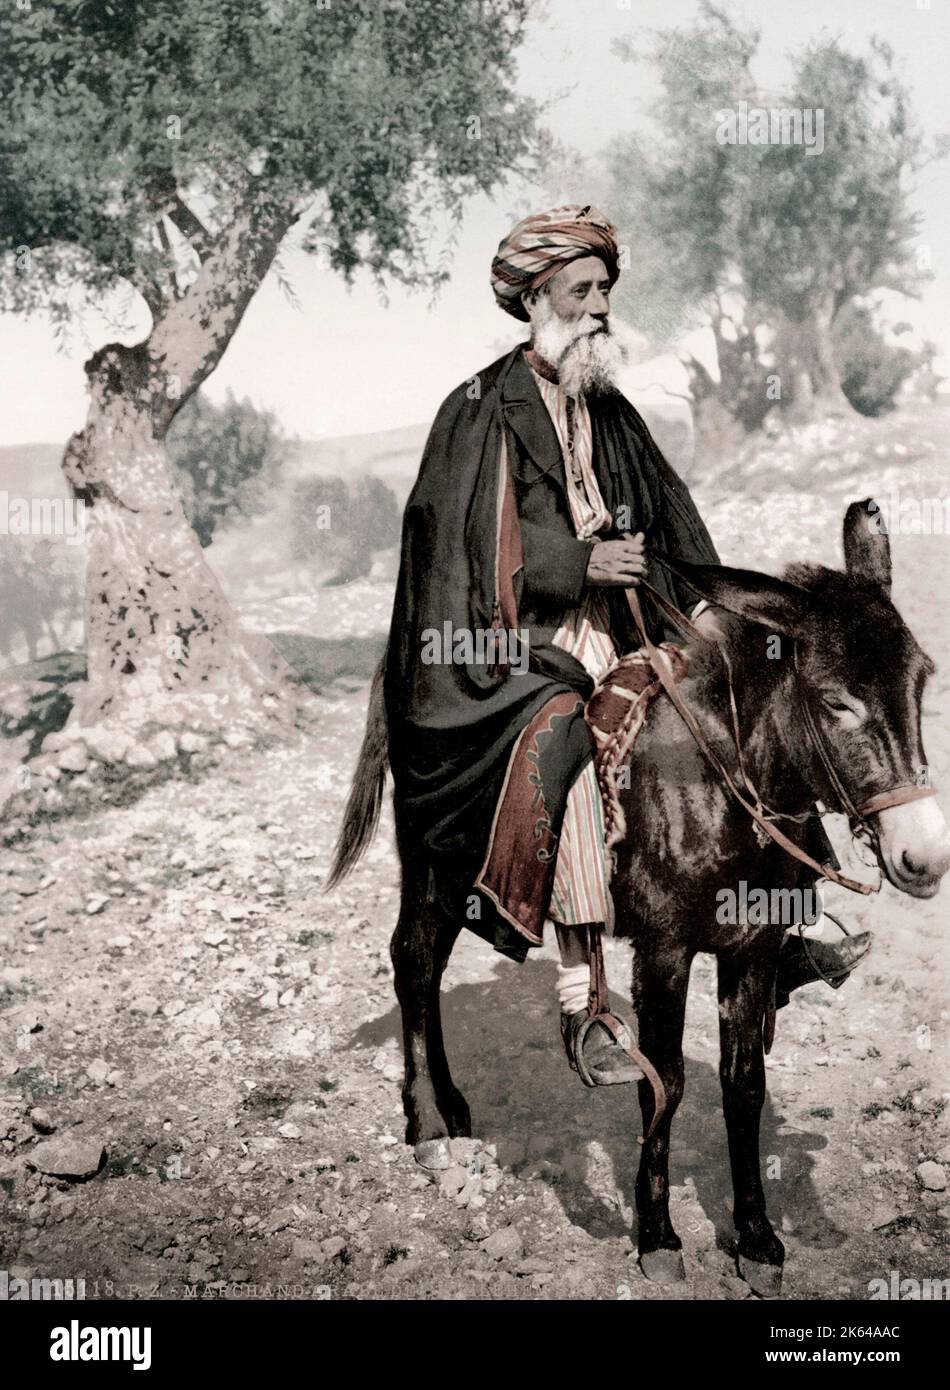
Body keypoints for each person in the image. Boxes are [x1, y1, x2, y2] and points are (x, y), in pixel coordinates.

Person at [383, 204, 869, 1086]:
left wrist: (708, 610)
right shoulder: (477, 411)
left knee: (742, 721)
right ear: (536, 297)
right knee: (569, 733)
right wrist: (579, 563)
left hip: (631, 619)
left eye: (606, 289)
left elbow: (672, 519)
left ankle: (783, 921)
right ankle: (585, 1001)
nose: (601, 306)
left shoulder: (611, 405)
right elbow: (459, 550)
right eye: (583, 290)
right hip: (515, 644)